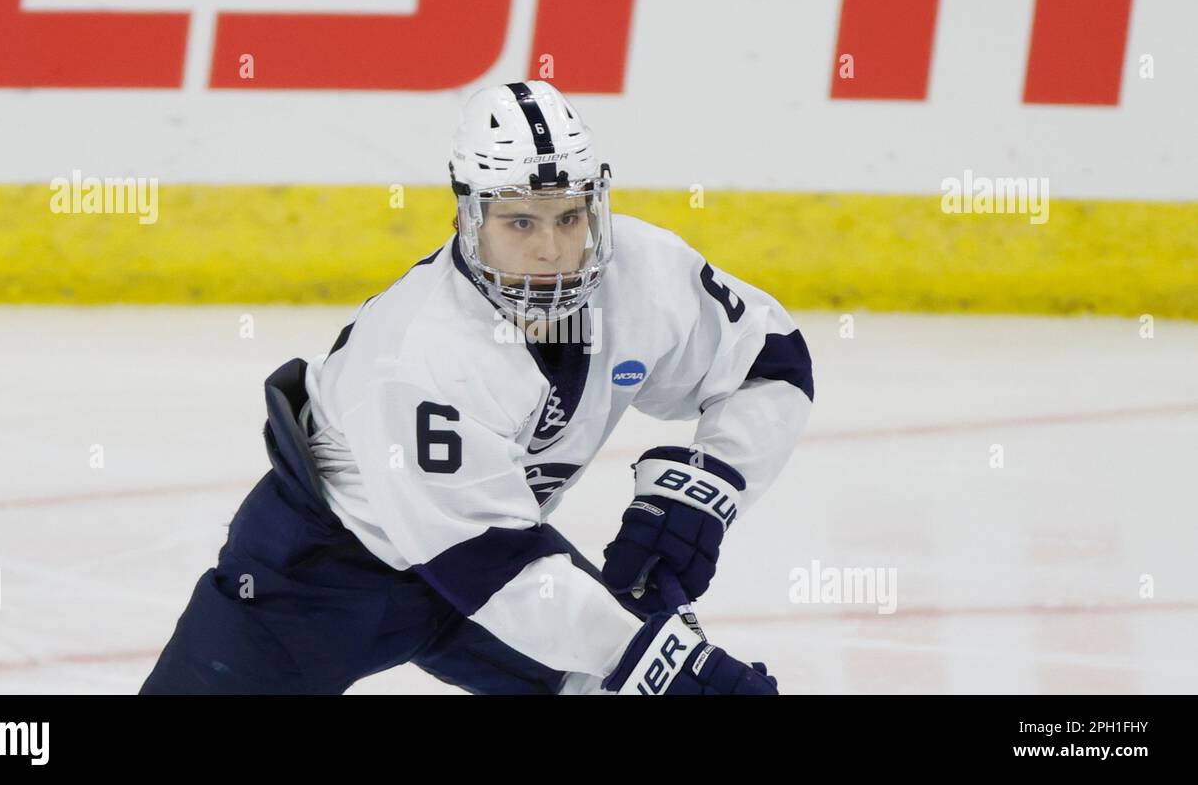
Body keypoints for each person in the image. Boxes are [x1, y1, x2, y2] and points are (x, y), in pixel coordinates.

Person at [141, 80, 813, 695]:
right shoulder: (420, 352)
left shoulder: (645, 273)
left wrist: (711, 481)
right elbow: (496, 574)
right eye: (521, 221)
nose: (552, 249)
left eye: (570, 217)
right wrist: (650, 658)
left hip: (500, 551)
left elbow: (772, 362)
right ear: (471, 217)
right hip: (317, 573)